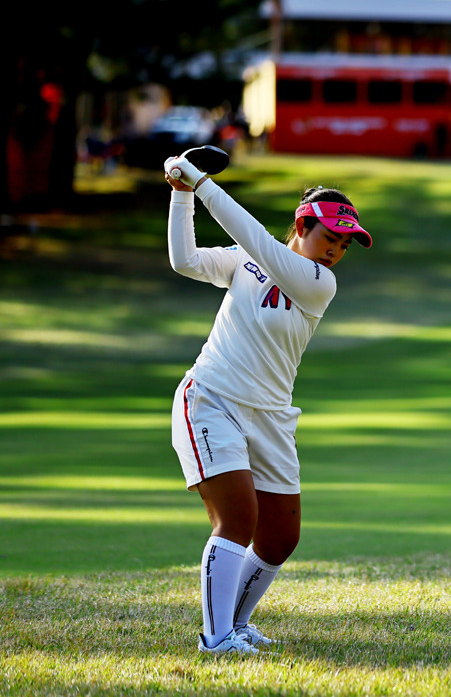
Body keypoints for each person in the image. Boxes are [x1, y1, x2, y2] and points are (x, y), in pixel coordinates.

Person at [162, 153, 372, 654]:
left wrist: (202, 182)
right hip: (213, 399)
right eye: (330, 237)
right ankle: (216, 639)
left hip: (272, 416)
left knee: (280, 537)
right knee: (237, 520)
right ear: (302, 226)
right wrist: (182, 193)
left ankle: (235, 624)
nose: (336, 251)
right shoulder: (247, 260)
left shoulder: (319, 283)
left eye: (344, 244)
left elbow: (256, 240)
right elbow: (185, 261)